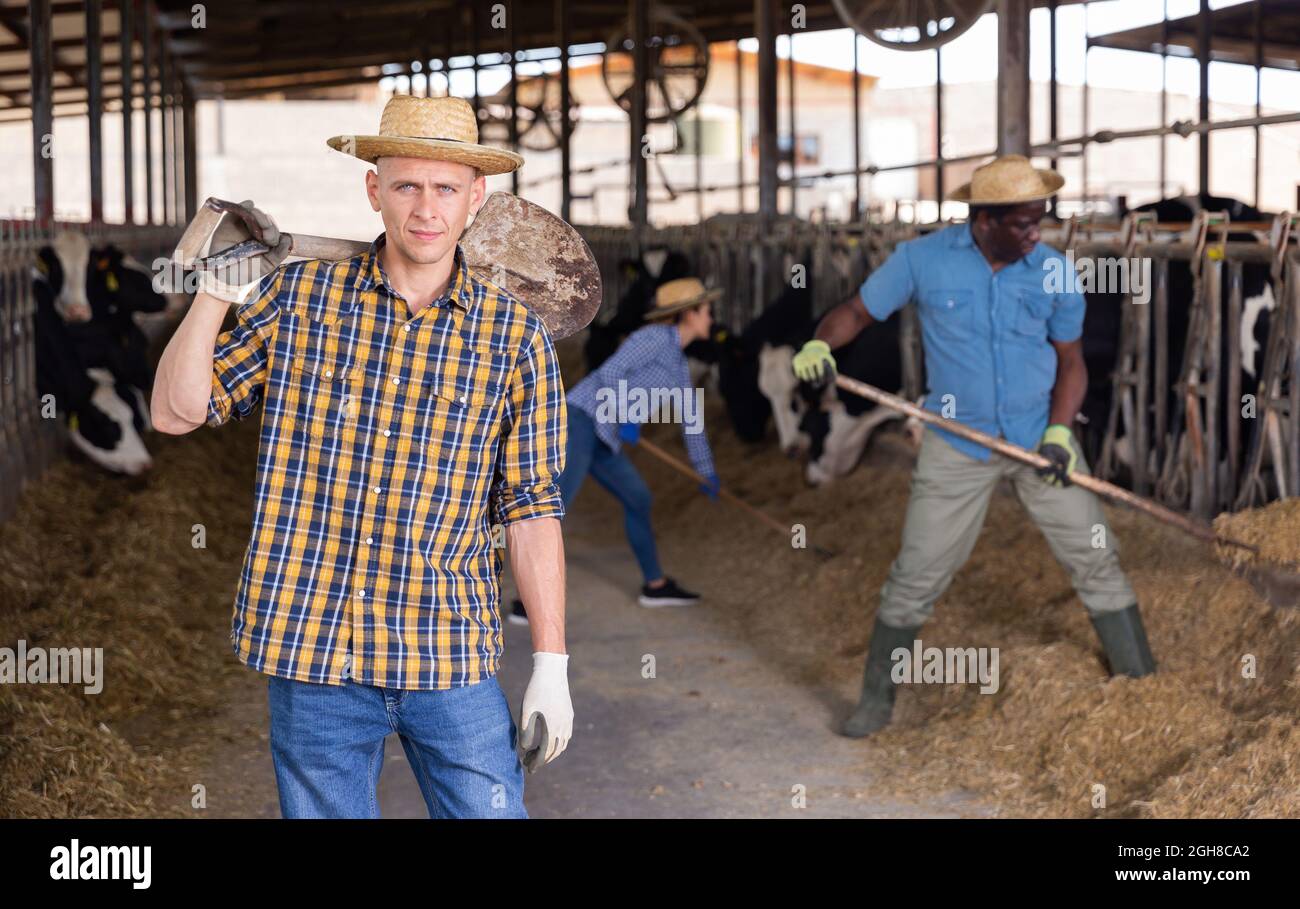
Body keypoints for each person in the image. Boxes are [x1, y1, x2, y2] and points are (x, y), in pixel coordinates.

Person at [151, 95, 574, 817]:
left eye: (446, 189)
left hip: (446, 651)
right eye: (406, 185)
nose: (425, 209)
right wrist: (215, 297)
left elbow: (530, 507)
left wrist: (551, 662)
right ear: (373, 189)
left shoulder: (514, 340)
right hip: (317, 651)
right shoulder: (298, 300)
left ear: (477, 199)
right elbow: (174, 412)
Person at [792, 154, 1156, 739]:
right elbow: (858, 312)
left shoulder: (1054, 270)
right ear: (982, 220)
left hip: (1041, 438)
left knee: (1096, 557)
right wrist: (819, 344)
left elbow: (1071, 362)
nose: (1036, 233)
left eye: (1041, 219)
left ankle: (1143, 685)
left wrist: (1062, 432)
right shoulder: (922, 259)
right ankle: (875, 702)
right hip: (957, 441)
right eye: (1022, 223)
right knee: (916, 572)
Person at [512, 277, 721, 623]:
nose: (712, 318)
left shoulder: (678, 365)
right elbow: (610, 371)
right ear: (689, 314)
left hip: (604, 436)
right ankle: (524, 602)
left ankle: (655, 585)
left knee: (638, 498)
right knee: (553, 509)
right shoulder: (653, 338)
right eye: (707, 311)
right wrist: (622, 409)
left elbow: (691, 421)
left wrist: (706, 469)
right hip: (581, 421)